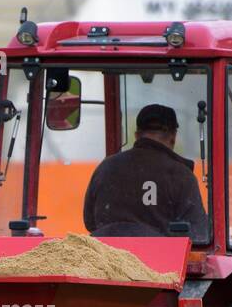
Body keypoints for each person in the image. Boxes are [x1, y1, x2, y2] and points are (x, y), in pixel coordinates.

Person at [82, 104, 210, 242]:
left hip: (105, 258)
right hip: (161, 261)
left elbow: (90, 222)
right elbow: (199, 233)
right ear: (173, 137)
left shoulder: (106, 168)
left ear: (137, 135)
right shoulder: (181, 175)